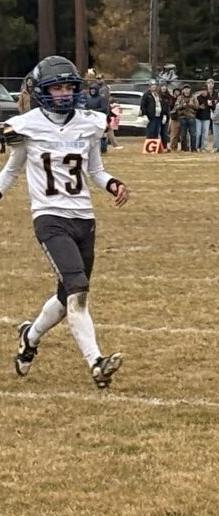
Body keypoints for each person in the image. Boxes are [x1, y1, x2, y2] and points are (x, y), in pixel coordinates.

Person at [0, 56, 129, 389]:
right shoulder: (27, 125)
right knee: (78, 290)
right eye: (56, 87)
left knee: (66, 294)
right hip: (49, 217)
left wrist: (113, 183)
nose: (64, 93)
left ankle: (30, 336)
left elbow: (95, 170)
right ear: (42, 91)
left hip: (84, 218)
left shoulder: (88, 123)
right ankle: (96, 363)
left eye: (69, 86)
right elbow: (12, 170)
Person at [174, 85, 199, 151]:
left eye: (188, 89)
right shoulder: (180, 98)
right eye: (185, 89)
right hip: (183, 118)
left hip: (191, 117)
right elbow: (176, 107)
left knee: (193, 134)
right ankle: (184, 148)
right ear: (183, 90)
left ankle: (193, 148)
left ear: (190, 90)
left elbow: (197, 107)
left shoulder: (193, 97)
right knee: (183, 134)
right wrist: (182, 105)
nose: (186, 90)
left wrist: (191, 105)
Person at [195, 79, 216, 152]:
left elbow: (214, 108)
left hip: (206, 118)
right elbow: (195, 108)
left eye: (205, 90)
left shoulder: (209, 98)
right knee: (198, 133)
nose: (204, 92)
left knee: (205, 134)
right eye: (202, 90)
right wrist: (199, 107)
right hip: (198, 118)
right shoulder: (198, 98)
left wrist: (211, 105)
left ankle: (204, 147)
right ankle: (196, 147)